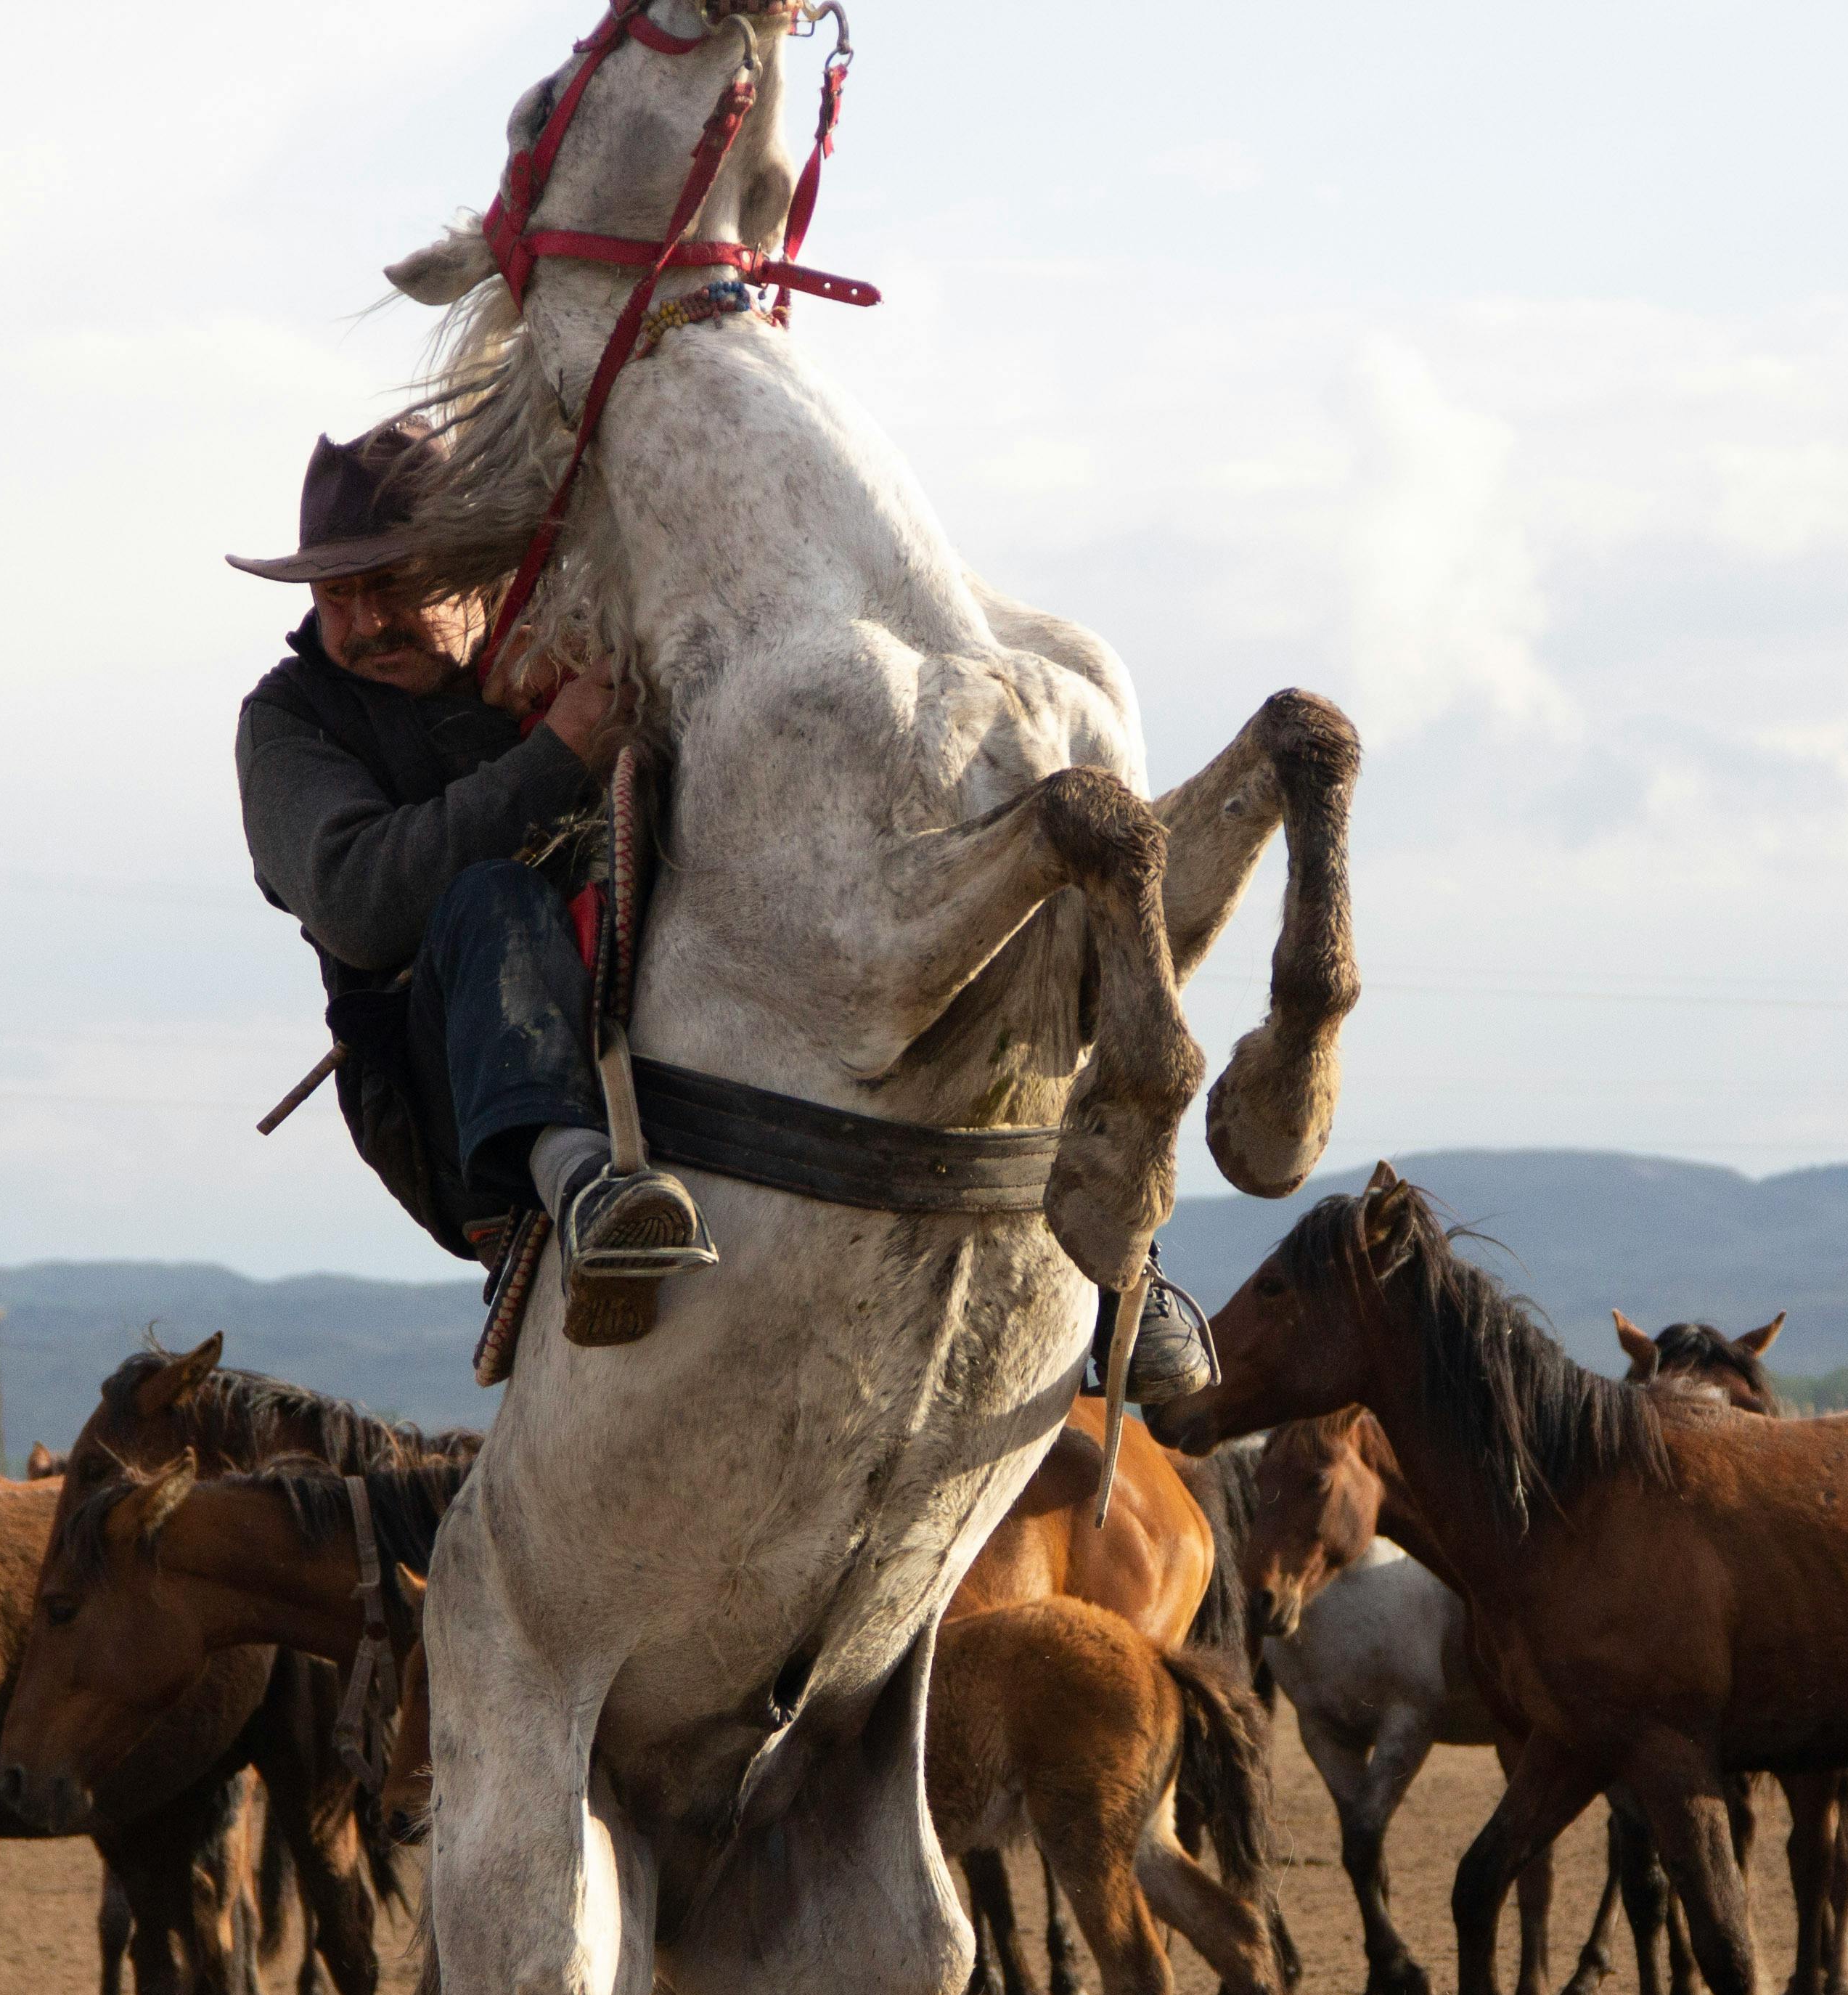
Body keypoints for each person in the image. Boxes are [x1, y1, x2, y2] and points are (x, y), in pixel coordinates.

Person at [227, 421, 1213, 1394]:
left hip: (662, 1004)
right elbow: (362, 899)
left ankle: (1117, 1256)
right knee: (491, 899)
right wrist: (556, 752)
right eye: (337, 596)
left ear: (476, 572)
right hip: (459, 1096)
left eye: (391, 585)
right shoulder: (290, 720)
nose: (361, 625)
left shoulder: (569, 636)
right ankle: (582, 1188)